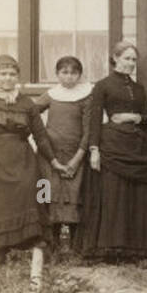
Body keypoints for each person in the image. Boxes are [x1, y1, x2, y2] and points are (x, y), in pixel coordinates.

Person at [78, 41, 147, 265]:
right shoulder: (103, 86)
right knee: (115, 196)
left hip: (136, 147)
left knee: (139, 198)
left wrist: (133, 117)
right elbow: (94, 120)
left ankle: (139, 249)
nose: (130, 63)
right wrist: (94, 149)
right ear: (115, 58)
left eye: (134, 59)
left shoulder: (138, 89)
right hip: (112, 146)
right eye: (127, 58)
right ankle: (112, 249)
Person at [0, 54, 56, 257]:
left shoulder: (27, 103)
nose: (8, 78)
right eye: (3, 74)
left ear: (18, 77)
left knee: (35, 191)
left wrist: (54, 161)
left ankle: (29, 245)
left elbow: (41, 136)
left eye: (12, 74)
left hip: (24, 159)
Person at [35, 55, 92, 253]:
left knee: (75, 196)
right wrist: (43, 138)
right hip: (49, 156)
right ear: (57, 74)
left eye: (73, 73)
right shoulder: (51, 95)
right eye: (64, 72)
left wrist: (77, 160)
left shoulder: (86, 96)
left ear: (80, 75)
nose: (69, 77)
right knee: (46, 194)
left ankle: (75, 246)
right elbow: (31, 113)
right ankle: (51, 244)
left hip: (76, 155)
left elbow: (88, 131)